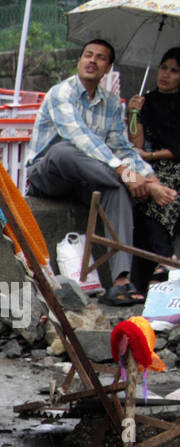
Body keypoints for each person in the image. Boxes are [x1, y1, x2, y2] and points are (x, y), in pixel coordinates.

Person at [27, 39, 176, 307]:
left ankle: (120, 282)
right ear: (79, 61)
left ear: (108, 68)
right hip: (49, 174)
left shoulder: (110, 103)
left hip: (88, 179)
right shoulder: (62, 93)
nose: (92, 61)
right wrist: (130, 176)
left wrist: (150, 178)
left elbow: (123, 148)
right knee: (65, 150)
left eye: (101, 58)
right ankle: (127, 181)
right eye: (88, 55)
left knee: (117, 189)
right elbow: (82, 139)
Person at [127, 47, 180, 295]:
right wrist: (134, 114)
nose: (165, 75)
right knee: (143, 197)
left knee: (159, 199)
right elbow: (135, 147)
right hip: (150, 167)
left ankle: (164, 263)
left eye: (174, 70)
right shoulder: (148, 100)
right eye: (163, 68)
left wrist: (151, 155)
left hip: (174, 166)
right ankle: (161, 265)